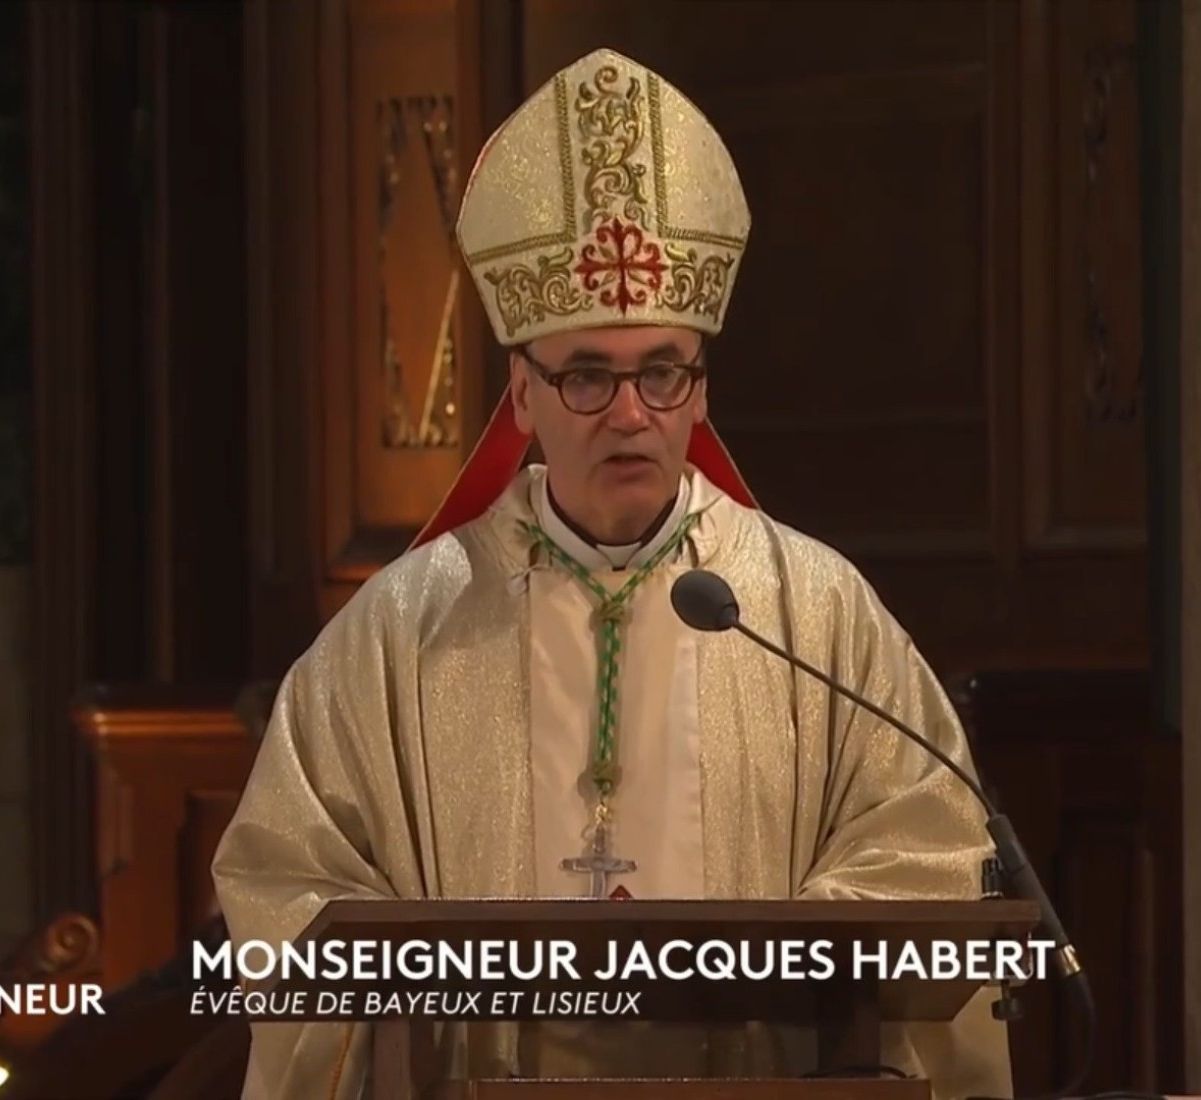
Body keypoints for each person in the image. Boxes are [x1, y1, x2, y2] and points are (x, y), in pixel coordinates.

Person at [212, 46, 1013, 1099]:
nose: (628, 412)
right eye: (586, 373)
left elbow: (926, 848)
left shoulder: (813, 616)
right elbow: (288, 885)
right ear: (523, 393)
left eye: (658, 370)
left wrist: (780, 957)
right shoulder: (395, 636)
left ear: (698, 388)